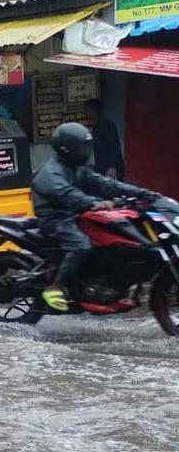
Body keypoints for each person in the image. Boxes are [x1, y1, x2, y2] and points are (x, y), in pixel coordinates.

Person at [33, 123, 159, 311]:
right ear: (66, 147)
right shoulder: (52, 172)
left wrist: (145, 194)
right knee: (82, 246)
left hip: (76, 216)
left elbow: (107, 184)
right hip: (55, 220)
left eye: (86, 146)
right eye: (80, 146)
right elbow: (67, 193)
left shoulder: (77, 169)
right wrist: (92, 203)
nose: (85, 151)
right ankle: (55, 287)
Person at [83, 99, 126, 180]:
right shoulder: (96, 126)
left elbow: (115, 146)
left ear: (93, 110)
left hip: (111, 171)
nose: (84, 112)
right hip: (102, 169)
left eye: (86, 109)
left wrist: (112, 167)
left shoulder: (107, 126)